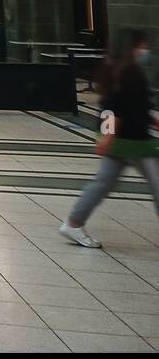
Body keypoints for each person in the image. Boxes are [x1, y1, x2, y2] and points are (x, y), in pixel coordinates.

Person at [60, 30, 158, 248]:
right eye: (142, 46)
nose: (145, 51)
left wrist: (108, 135)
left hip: (127, 140)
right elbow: (113, 107)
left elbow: (133, 107)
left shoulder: (119, 69)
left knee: (102, 184)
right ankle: (73, 223)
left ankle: (73, 223)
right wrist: (108, 135)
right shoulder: (126, 72)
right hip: (133, 142)